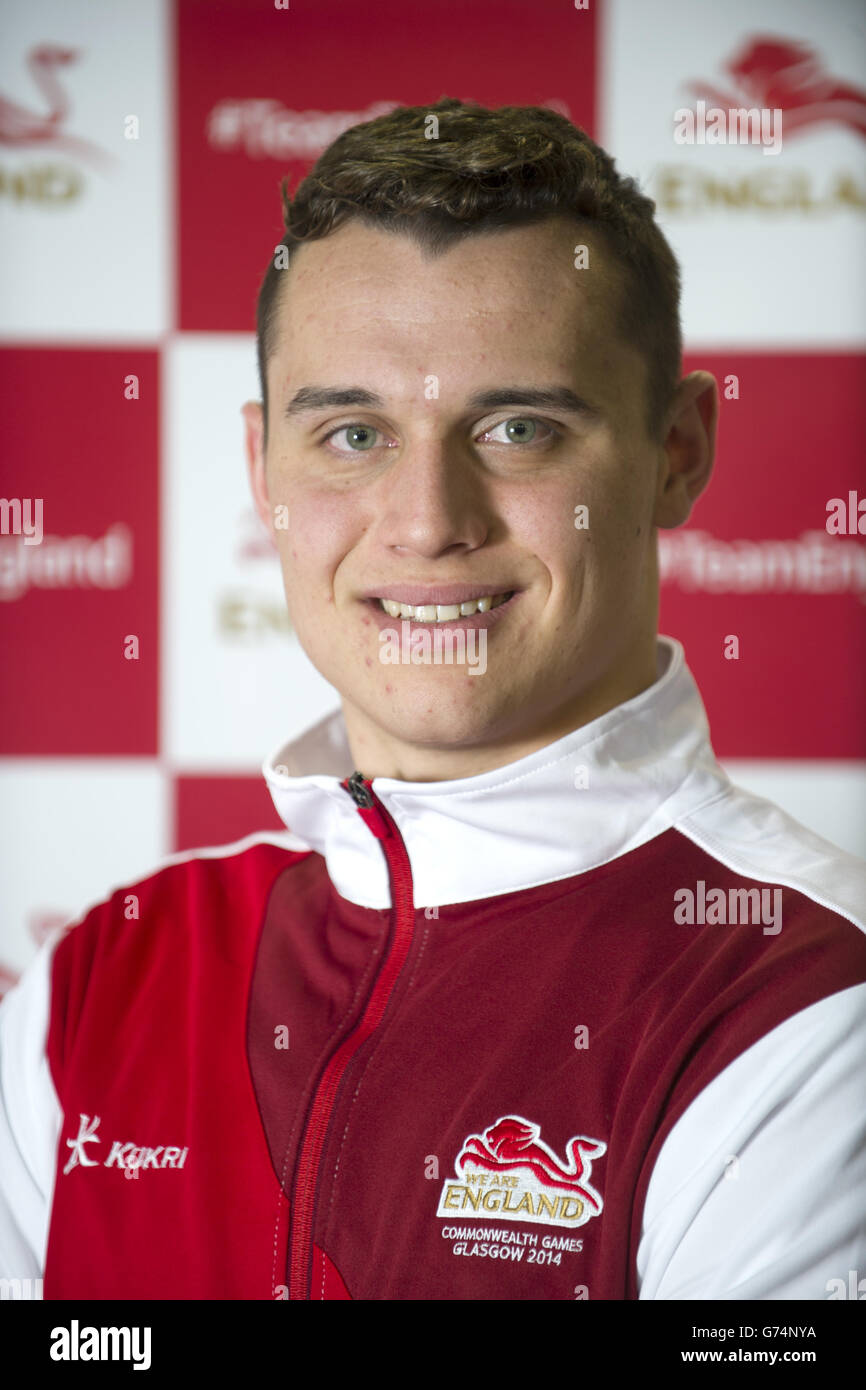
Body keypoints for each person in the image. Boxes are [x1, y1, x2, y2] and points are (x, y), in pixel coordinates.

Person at [1, 97, 864, 1302]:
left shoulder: (812, 992)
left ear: (676, 449)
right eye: (351, 434)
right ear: (263, 469)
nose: (426, 522)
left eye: (516, 427)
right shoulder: (95, 983)